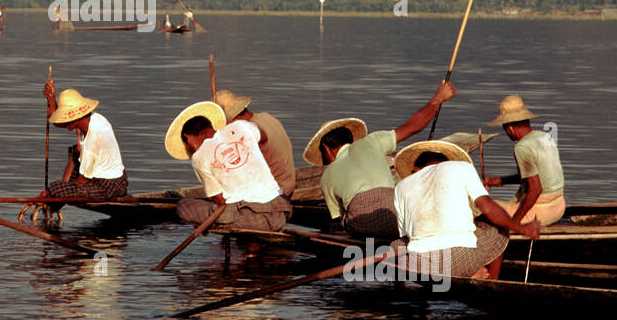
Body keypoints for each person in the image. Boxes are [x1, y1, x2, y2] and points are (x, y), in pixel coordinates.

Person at [303, 80, 455, 239]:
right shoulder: (371, 142)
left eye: (322, 153)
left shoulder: (326, 177)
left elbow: (338, 218)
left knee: (346, 222)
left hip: (364, 224)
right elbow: (414, 126)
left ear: (327, 149)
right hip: (396, 213)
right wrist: (438, 98)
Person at [391, 140, 540, 279]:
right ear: (446, 162)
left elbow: (405, 236)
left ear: (416, 169)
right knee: (499, 225)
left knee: (397, 244)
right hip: (461, 260)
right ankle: (489, 283)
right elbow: (489, 208)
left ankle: (401, 289)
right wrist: (522, 228)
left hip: (418, 265)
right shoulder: (461, 167)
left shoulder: (401, 186)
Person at [166, 101, 292, 232]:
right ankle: (253, 247)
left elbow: (219, 201)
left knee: (183, 206)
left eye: (187, 145)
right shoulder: (241, 126)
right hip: (281, 210)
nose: (189, 149)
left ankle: (246, 237)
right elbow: (264, 137)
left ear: (188, 137)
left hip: (252, 219)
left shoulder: (199, 157)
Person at [21, 79, 127, 223]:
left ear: (76, 118)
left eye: (68, 118)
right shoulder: (93, 119)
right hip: (110, 178)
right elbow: (58, 121)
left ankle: (51, 203)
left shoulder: (94, 137)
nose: (66, 123)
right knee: (74, 152)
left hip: (109, 186)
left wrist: (53, 193)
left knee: (56, 188)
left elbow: (83, 180)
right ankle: (53, 200)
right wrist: (51, 98)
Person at [483, 95, 566, 225]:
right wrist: (499, 181)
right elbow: (535, 176)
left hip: (540, 213)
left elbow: (536, 189)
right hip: (559, 207)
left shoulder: (521, 147)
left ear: (509, 127)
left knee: (484, 207)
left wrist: (515, 223)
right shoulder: (544, 137)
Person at [214, 89, 295, 196]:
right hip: (288, 184)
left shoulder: (248, 132)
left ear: (231, 118)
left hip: (276, 191)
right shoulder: (266, 117)